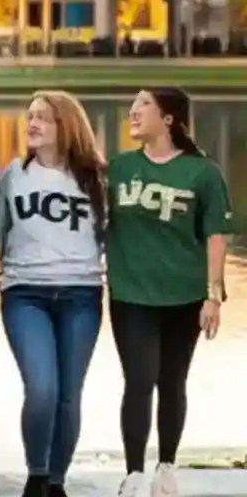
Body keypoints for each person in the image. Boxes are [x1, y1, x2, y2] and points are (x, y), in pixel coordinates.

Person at [108, 88, 232, 497]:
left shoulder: (202, 172)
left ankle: (165, 466)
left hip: (184, 296)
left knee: (172, 380)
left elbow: (215, 235)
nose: (133, 111)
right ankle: (133, 473)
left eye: (143, 104)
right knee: (139, 378)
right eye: (133, 104)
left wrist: (213, 295)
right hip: (130, 293)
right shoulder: (119, 168)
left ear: (168, 119)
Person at [0, 91, 108, 497]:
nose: (33, 124)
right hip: (26, 294)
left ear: (67, 125)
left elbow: (114, 237)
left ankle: (58, 481)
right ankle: (37, 474)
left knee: (68, 395)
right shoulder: (13, 175)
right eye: (30, 116)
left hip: (81, 295)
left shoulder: (96, 176)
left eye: (43, 117)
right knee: (42, 388)